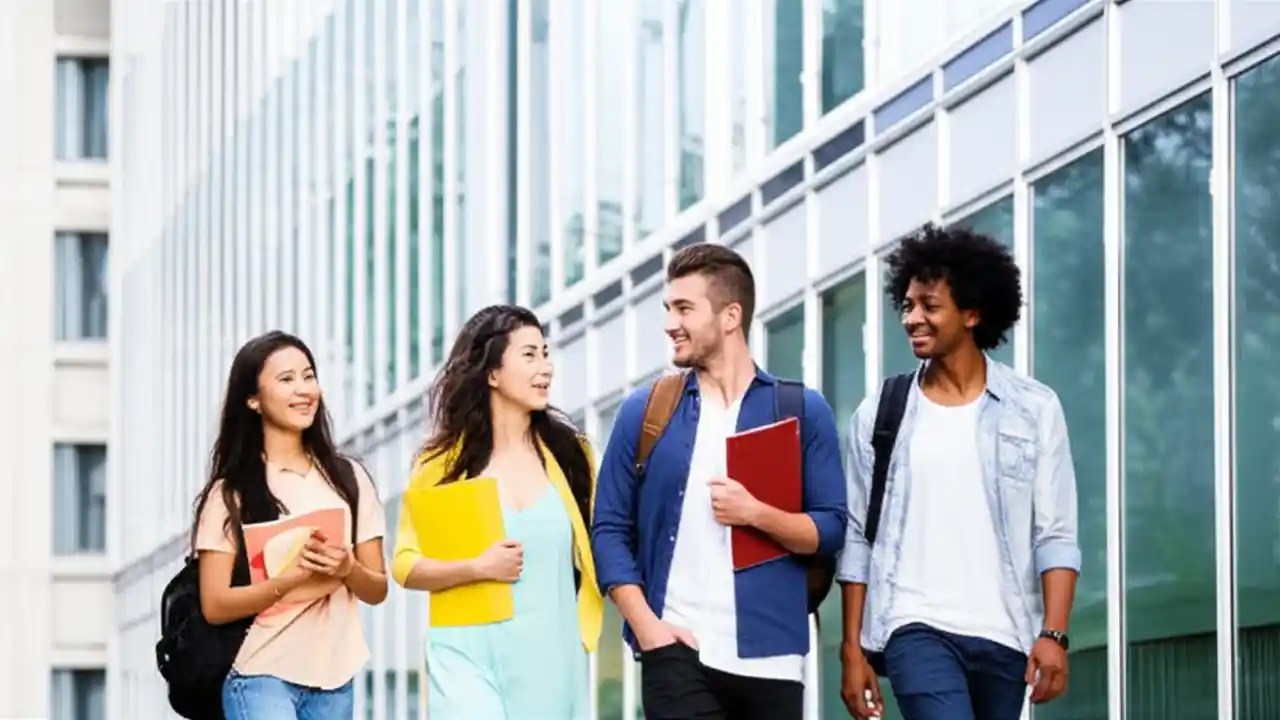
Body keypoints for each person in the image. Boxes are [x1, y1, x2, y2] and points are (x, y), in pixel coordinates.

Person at [591, 244, 847, 720]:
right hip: (675, 647)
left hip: (771, 658)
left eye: (684, 308)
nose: (671, 323)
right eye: (668, 308)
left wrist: (756, 514)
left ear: (731, 316)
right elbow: (607, 529)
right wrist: (647, 627)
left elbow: (831, 530)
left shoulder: (800, 411)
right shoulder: (645, 414)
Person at [837, 223, 1081, 720]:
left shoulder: (1034, 409)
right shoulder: (883, 412)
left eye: (929, 305)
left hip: (1005, 633)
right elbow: (858, 539)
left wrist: (1054, 633)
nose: (912, 318)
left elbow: (1054, 533)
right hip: (914, 627)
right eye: (907, 305)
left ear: (971, 313)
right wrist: (852, 648)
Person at [391, 304, 603, 719]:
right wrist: (477, 567)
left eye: (545, 352)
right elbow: (404, 565)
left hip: (550, 657)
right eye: (529, 355)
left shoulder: (571, 457)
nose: (546, 366)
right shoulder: (442, 464)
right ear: (492, 373)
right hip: (464, 653)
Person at [192, 331, 388, 719]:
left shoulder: (349, 479)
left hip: (335, 678)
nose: (304, 389)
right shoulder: (231, 493)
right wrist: (290, 578)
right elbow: (214, 605)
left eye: (308, 375)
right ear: (253, 400)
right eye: (286, 379)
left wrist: (347, 568)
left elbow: (378, 588)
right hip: (261, 674)